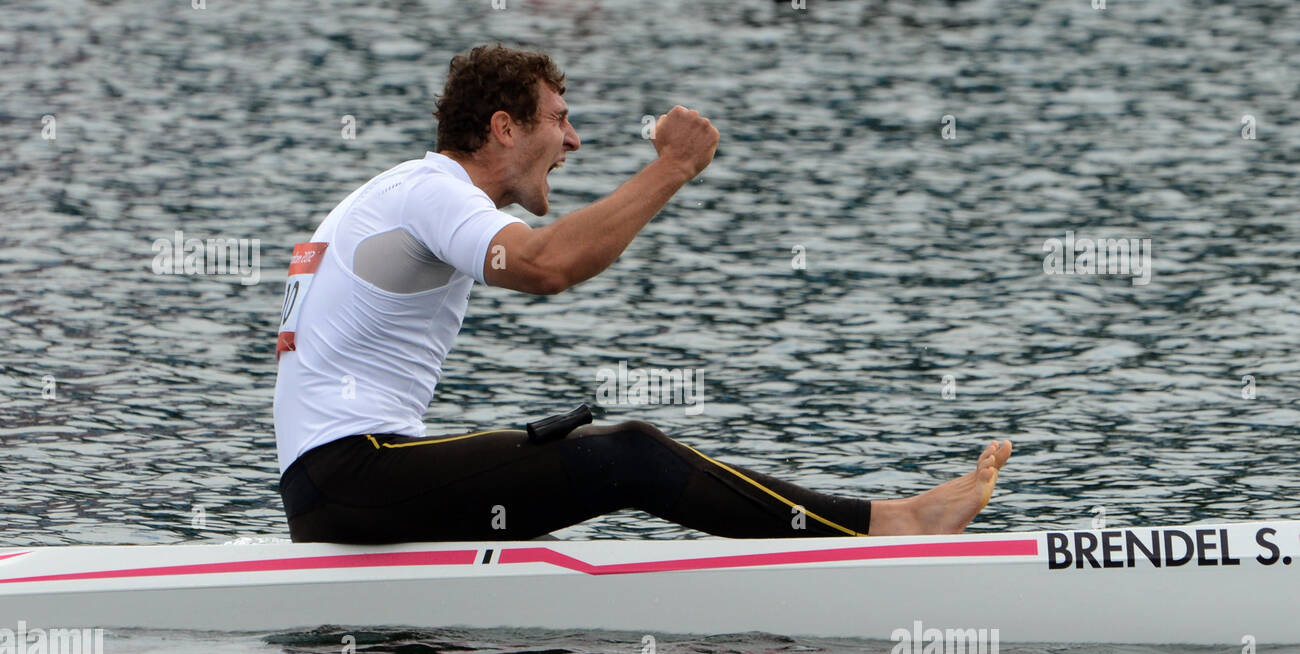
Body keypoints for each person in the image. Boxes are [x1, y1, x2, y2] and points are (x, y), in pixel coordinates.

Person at [273, 44, 1012, 545]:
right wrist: (675, 168)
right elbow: (548, 266)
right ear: (503, 128)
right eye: (559, 119)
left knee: (599, 454)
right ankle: (893, 524)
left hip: (339, 484)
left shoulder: (392, 193)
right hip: (353, 476)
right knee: (625, 455)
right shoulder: (432, 194)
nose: (575, 141)